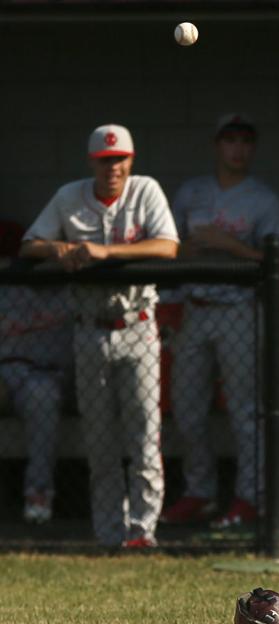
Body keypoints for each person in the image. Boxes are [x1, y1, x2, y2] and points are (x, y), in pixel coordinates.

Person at [19, 124, 179, 548]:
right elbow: (29, 245)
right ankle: (110, 533)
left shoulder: (145, 190)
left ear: (131, 160)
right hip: (89, 330)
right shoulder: (71, 195)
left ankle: (143, 533)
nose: (114, 168)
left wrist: (107, 254)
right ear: (94, 162)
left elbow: (167, 246)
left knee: (145, 434)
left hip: (138, 326)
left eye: (120, 159)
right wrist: (59, 250)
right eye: (106, 160)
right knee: (100, 439)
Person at [161, 113, 279, 530]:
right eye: (230, 140)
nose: (238, 148)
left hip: (240, 309)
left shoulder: (263, 199)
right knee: (187, 409)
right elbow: (168, 246)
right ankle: (200, 492)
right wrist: (188, 252)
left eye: (246, 141)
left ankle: (251, 498)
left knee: (246, 411)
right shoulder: (192, 192)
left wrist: (229, 245)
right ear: (217, 145)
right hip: (196, 308)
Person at [0, 285, 72, 524]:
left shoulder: (74, 291)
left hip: (48, 376)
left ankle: (38, 493)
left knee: (41, 394)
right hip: (6, 373)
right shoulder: (8, 285)